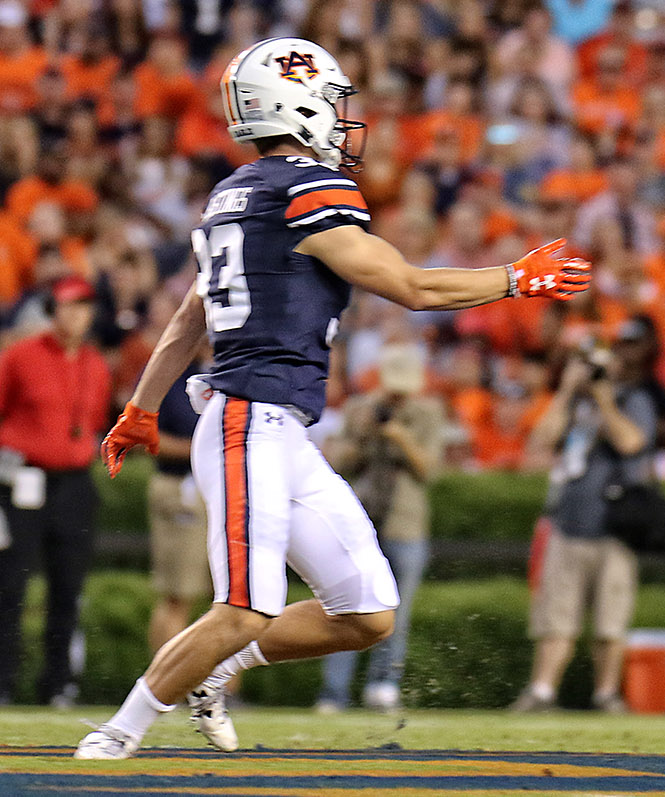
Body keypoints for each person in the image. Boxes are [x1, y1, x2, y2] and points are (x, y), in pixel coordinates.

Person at [78, 37, 592, 759]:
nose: (344, 120)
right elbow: (411, 287)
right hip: (244, 418)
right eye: (332, 102)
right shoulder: (305, 188)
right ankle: (114, 733)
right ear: (295, 104)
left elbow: (190, 314)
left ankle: (214, 670)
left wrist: (139, 406)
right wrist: (515, 277)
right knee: (244, 605)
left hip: (278, 427)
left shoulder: (237, 193)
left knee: (369, 611)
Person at [511, 318, 662, 712]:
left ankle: (606, 693)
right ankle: (542, 691)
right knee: (555, 618)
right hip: (568, 521)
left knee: (610, 622)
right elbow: (540, 440)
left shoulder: (634, 400)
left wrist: (605, 399)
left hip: (614, 527)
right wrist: (565, 393)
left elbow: (632, 442)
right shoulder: (574, 404)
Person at [0, 275, 111, 707]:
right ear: (52, 311)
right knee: (10, 585)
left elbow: (95, 419)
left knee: (68, 589)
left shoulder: (94, 364)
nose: (76, 315)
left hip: (74, 483)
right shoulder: (21, 358)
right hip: (22, 480)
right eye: (68, 306)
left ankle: (58, 683)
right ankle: (4, 682)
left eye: (83, 307)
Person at [316, 344, 445, 713]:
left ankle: (384, 684)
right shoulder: (360, 409)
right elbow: (338, 464)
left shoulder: (427, 413)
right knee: (344, 608)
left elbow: (429, 470)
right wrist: (366, 435)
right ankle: (333, 691)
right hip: (361, 521)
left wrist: (400, 436)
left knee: (396, 614)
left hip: (405, 525)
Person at [146, 360, 210, 653]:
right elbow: (147, 436)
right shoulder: (170, 374)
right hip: (181, 485)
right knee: (178, 595)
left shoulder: (237, 368)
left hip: (228, 489)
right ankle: (164, 690)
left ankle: (226, 692)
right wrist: (203, 448)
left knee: (232, 597)